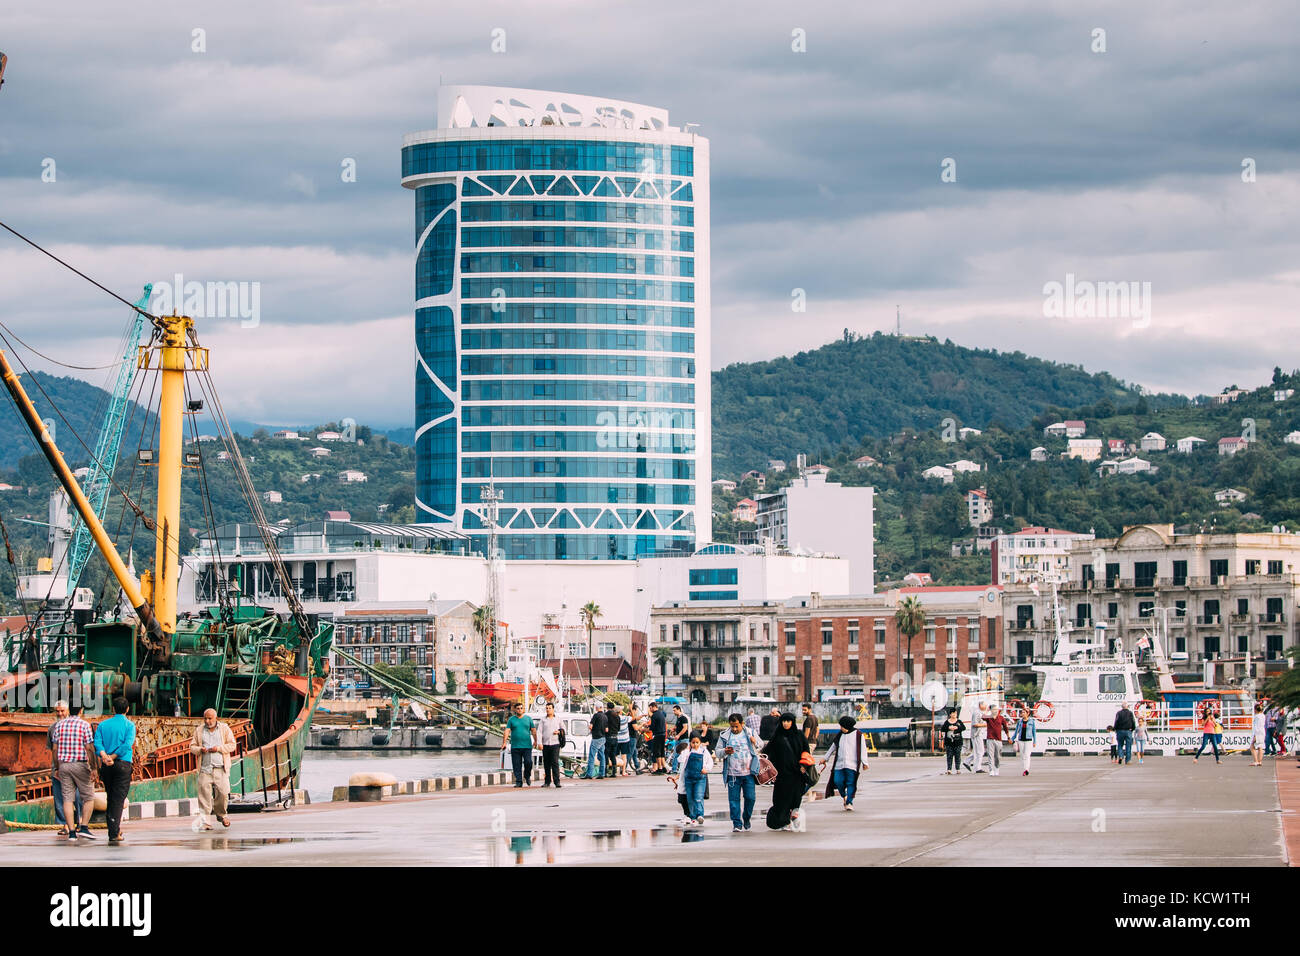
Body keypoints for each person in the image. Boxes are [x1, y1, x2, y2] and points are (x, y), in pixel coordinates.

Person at [93, 696, 135, 845]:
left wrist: (104, 756)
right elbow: (127, 745)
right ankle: (114, 833)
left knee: (111, 797)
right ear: (128, 709)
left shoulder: (103, 725)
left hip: (107, 766)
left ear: (113, 709)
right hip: (122, 764)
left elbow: (97, 743)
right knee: (118, 799)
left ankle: (114, 830)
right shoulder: (129, 726)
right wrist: (113, 756)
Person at [52, 704, 96, 842]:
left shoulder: (59, 725)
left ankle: (71, 832)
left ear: (69, 710)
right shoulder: (84, 725)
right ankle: (83, 827)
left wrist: (57, 768)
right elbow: (89, 747)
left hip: (64, 765)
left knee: (67, 799)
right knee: (88, 797)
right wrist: (94, 767)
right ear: (81, 710)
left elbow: (54, 749)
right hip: (80, 764)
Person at [189, 707, 237, 827]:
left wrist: (219, 748)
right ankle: (205, 821)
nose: (207, 721)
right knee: (204, 796)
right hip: (205, 768)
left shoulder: (224, 729)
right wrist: (200, 749)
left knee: (223, 793)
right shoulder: (199, 730)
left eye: (210, 718)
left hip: (220, 767)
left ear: (215, 718)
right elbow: (192, 747)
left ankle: (221, 814)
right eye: (205, 718)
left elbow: (232, 745)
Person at [763, 712, 809, 830]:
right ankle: (783, 821)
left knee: (795, 796)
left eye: (788, 721)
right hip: (781, 773)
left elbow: (806, 751)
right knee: (781, 799)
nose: (786, 724)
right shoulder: (777, 736)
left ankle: (793, 816)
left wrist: (804, 765)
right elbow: (767, 751)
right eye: (783, 721)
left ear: (792, 722)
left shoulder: (799, 735)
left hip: (797, 773)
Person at [718, 712, 762, 831]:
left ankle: (746, 817)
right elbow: (717, 752)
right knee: (733, 800)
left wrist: (754, 741)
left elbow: (761, 745)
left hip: (748, 773)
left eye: (737, 726)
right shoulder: (724, 736)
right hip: (732, 773)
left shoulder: (750, 732)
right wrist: (725, 752)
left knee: (750, 798)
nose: (734, 729)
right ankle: (736, 823)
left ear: (742, 724)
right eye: (732, 726)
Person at [47, 700, 82, 836]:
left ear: (68, 711)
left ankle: (78, 822)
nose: (60, 713)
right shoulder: (52, 728)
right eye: (57, 711)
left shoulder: (77, 725)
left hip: (74, 765)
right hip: (60, 766)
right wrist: (55, 768)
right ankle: (65, 825)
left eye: (62, 711)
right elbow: (52, 749)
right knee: (60, 796)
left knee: (78, 796)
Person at [819, 716, 868, 810]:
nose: (841, 728)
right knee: (837, 781)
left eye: (842, 726)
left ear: (848, 726)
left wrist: (865, 762)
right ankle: (844, 795)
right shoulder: (840, 735)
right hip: (839, 764)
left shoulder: (858, 734)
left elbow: (863, 749)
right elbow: (833, 747)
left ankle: (849, 802)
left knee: (851, 783)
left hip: (852, 764)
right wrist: (825, 758)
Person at [677, 733, 713, 825]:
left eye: (697, 742)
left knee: (698, 797)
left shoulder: (704, 751)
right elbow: (680, 760)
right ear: (690, 742)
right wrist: (686, 751)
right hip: (688, 778)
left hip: (700, 778)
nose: (695, 745)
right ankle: (692, 816)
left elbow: (710, 762)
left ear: (700, 742)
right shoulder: (688, 751)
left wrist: (707, 769)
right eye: (693, 742)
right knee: (690, 798)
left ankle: (700, 814)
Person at [502, 701, 538, 787]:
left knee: (528, 762)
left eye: (521, 708)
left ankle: (527, 775)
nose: (520, 710)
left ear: (523, 709)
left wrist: (536, 741)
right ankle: (519, 781)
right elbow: (507, 731)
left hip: (527, 746)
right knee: (516, 764)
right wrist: (504, 742)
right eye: (518, 708)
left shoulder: (528, 719)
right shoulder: (511, 720)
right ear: (515, 710)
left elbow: (533, 730)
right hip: (515, 746)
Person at [538, 701, 563, 788]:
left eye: (550, 708)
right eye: (547, 708)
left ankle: (557, 781)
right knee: (547, 763)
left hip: (555, 743)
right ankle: (547, 781)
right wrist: (539, 743)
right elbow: (539, 732)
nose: (548, 710)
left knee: (555, 762)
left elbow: (564, 729)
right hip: (545, 744)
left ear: (553, 709)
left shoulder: (558, 719)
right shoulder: (543, 720)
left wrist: (559, 731)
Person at [984, 704, 1011, 776]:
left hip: (998, 739)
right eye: (993, 709)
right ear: (991, 710)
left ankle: (997, 768)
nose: (995, 711)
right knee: (990, 755)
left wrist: (1008, 737)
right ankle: (991, 770)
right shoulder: (988, 718)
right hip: (990, 738)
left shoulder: (1001, 718)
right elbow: (982, 717)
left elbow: (1005, 728)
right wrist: (987, 710)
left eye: (996, 709)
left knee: (997, 756)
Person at [939, 709, 965, 774]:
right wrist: (948, 728)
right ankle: (949, 769)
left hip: (958, 741)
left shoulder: (959, 721)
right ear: (950, 714)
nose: (954, 715)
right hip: (949, 742)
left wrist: (957, 728)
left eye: (955, 713)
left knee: (957, 755)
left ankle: (958, 769)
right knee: (949, 756)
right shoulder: (947, 722)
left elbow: (963, 728)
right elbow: (942, 729)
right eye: (952, 713)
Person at [1012, 705, 1036, 775]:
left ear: (1028, 713)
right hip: (1021, 739)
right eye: (1022, 712)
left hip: (1028, 740)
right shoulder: (1020, 722)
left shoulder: (1031, 721)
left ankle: (1026, 769)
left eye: (1024, 712)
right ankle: (1024, 768)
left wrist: (1034, 741)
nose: (1022, 714)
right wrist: (1012, 738)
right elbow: (1016, 731)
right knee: (1022, 755)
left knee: (1027, 754)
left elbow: (1034, 732)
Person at [586, 706, 608, 779]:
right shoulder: (605, 716)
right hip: (603, 738)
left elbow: (591, 726)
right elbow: (606, 730)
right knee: (602, 756)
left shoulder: (595, 715)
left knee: (592, 756)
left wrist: (590, 728)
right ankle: (602, 773)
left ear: (596, 707)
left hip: (596, 738)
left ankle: (589, 774)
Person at [967, 702, 989, 772]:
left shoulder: (980, 712)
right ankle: (977, 768)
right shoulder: (977, 713)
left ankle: (967, 761)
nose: (986, 706)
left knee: (978, 751)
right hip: (976, 734)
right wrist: (986, 725)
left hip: (979, 734)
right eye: (985, 705)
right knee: (980, 751)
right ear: (980, 705)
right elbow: (975, 724)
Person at [648, 701, 668, 774]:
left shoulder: (654, 715)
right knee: (662, 752)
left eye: (650, 708)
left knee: (657, 752)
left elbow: (653, 727)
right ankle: (664, 767)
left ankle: (659, 768)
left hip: (657, 735)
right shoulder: (661, 714)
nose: (650, 710)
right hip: (663, 734)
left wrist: (647, 727)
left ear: (654, 707)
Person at [669, 704, 689, 772]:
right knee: (676, 754)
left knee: (684, 754)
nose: (673, 712)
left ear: (678, 710)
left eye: (674, 711)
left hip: (683, 739)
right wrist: (673, 729)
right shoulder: (678, 718)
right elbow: (677, 726)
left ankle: (683, 769)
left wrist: (679, 735)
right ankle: (674, 769)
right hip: (678, 739)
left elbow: (685, 728)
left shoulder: (684, 718)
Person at [604, 701, 621, 778]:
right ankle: (614, 772)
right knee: (613, 755)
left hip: (608, 737)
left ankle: (606, 771)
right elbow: (619, 728)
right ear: (613, 708)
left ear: (607, 707)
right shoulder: (617, 716)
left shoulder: (605, 715)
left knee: (606, 754)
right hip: (615, 737)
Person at [623, 705, 640, 775]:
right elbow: (636, 728)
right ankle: (624, 768)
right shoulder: (632, 719)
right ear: (634, 710)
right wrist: (642, 725)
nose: (637, 712)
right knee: (629, 754)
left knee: (634, 754)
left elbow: (636, 719)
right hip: (632, 737)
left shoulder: (628, 717)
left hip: (630, 737)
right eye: (636, 710)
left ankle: (637, 768)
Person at [1250, 702, 1266, 767]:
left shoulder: (1257, 717)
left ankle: (1256, 761)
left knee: (1252, 746)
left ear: (1255, 710)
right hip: (1262, 732)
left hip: (1258, 733)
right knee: (1260, 747)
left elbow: (1256, 726)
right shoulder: (1263, 716)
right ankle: (1259, 761)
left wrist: (1255, 735)